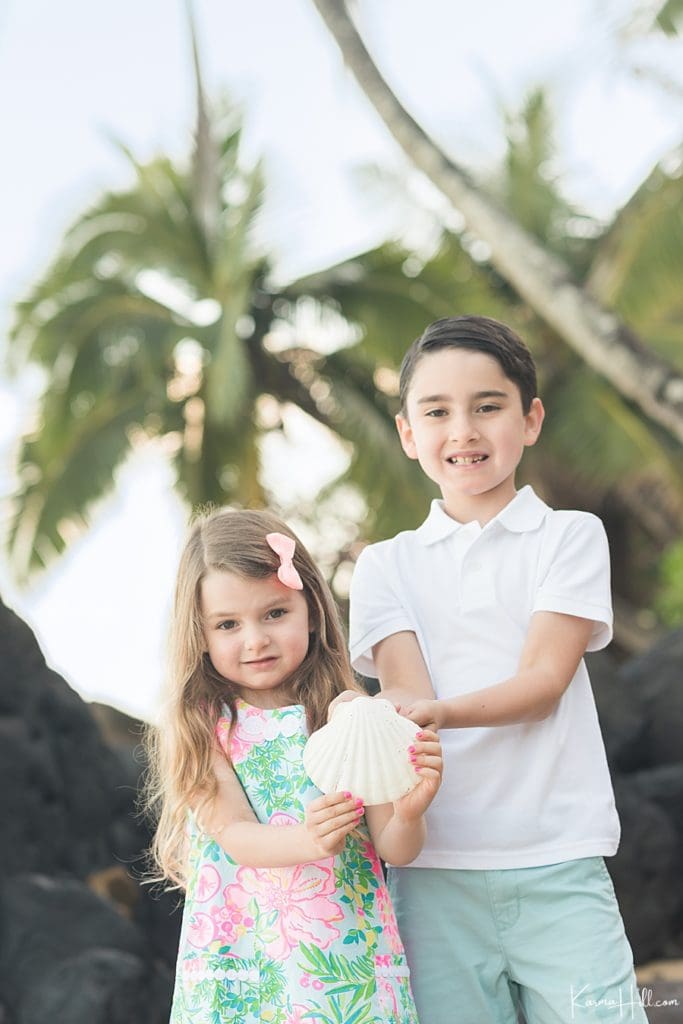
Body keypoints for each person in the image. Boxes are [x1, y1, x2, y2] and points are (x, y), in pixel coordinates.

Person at [348, 316, 648, 1024]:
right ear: (406, 434)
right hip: (433, 873)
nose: (463, 431)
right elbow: (404, 697)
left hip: (558, 859)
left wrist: (439, 714)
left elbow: (542, 684)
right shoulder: (384, 565)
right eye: (436, 412)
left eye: (487, 406)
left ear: (530, 418)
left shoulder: (570, 536)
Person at [144, 507, 442, 1024]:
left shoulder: (345, 710)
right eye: (228, 625)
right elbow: (235, 832)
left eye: (275, 614)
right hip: (244, 958)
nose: (254, 639)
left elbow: (394, 848)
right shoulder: (202, 724)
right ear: (200, 633)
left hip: (344, 959)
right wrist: (311, 842)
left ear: (310, 609)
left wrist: (411, 812)